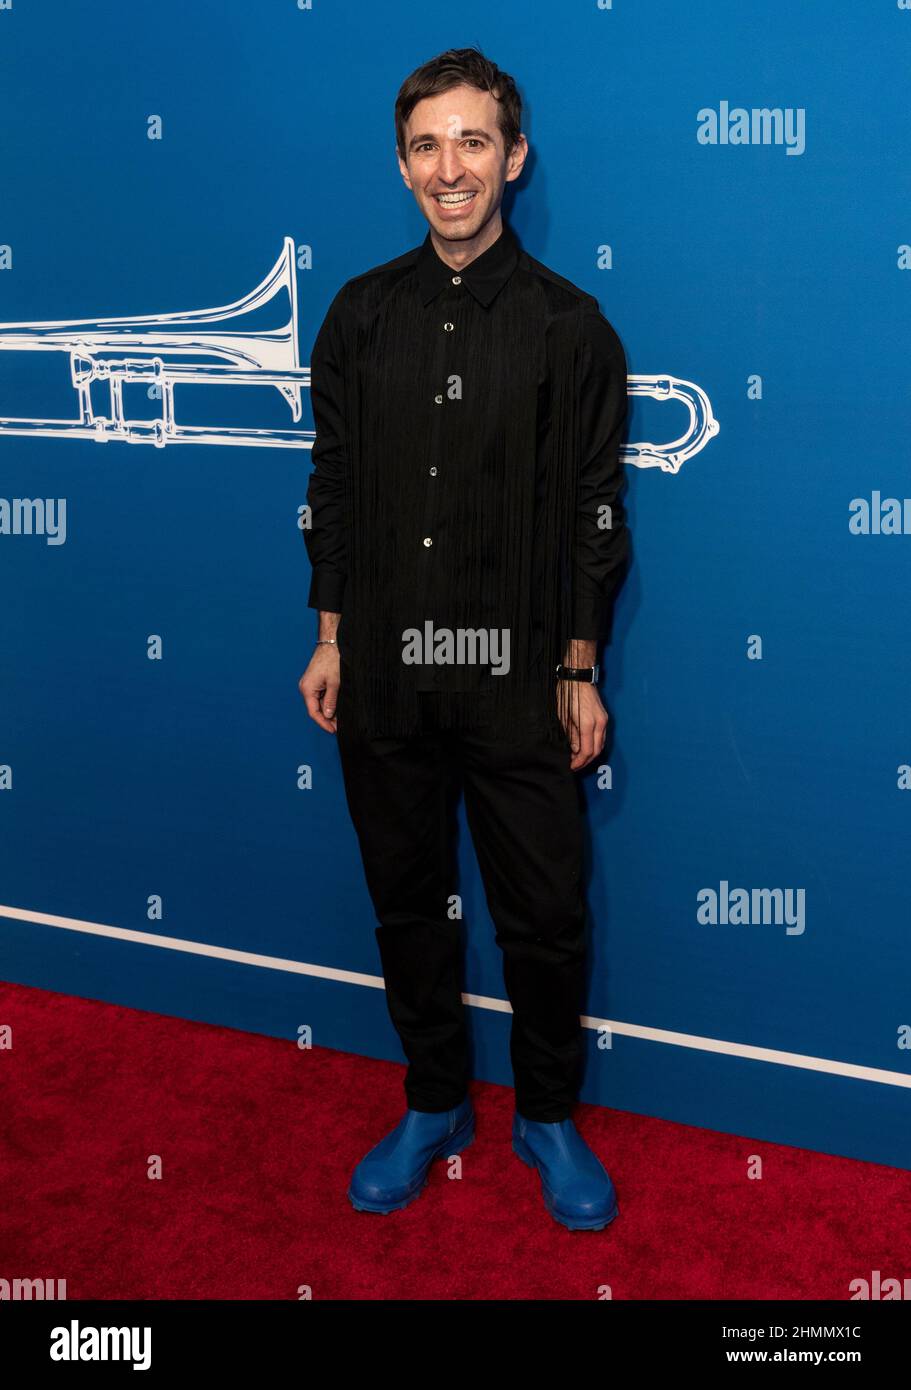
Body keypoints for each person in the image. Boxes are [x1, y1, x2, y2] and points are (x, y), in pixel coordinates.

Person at [299, 47, 630, 1231]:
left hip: (512, 682)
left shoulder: (568, 329)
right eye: (428, 145)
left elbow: (596, 512)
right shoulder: (357, 314)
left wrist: (578, 669)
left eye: (473, 142)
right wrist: (331, 634)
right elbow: (330, 485)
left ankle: (545, 1115)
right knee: (406, 899)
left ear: (513, 157)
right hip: (382, 673)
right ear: (402, 165)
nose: (452, 168)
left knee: (543, 914)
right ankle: (433, 1098)